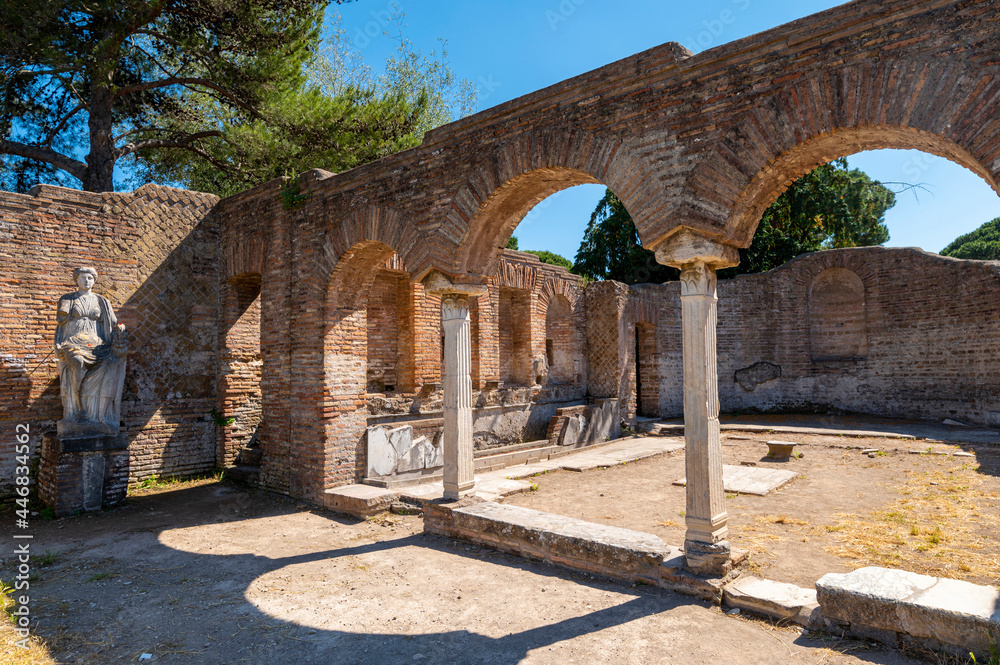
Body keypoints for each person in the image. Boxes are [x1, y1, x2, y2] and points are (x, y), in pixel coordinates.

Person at [55, 267, 127, 433]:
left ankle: (101, 414)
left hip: (96, 343)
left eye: (90, 278)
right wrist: (58, 342)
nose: (86, 281)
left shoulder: (102, 301)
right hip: (73, 342)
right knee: (77, 361)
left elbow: (114, 322)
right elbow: (61, 323)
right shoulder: (68, 298)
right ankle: (80, 409)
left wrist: (121, 327)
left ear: (94, 281)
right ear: (76, 280)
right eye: (82, 278)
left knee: (112, 362)